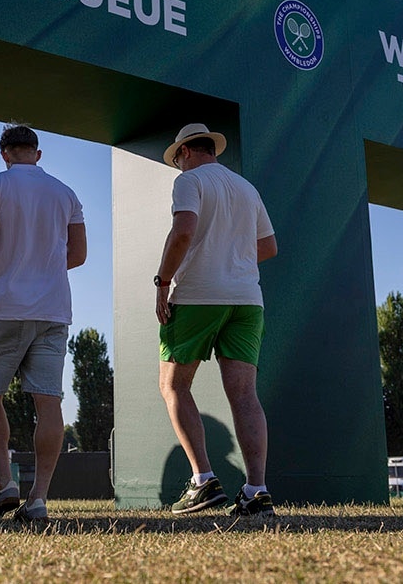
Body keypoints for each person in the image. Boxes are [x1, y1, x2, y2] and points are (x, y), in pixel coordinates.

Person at [153, 123, 279, 517]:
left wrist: (163, 281)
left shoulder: (190, 182)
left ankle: (203, 480)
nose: (178, 166)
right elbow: (268, 247)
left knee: (173, 385)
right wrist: (232, 262)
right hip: (247, 300)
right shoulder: (246, 188)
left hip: (197, 296)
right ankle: (256, 491)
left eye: (177, 160)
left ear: (187, 152)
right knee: (245, 395)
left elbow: (183, 231)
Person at [0, 124, 86, 522]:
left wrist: (0, 267)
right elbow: (80, 254)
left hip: (6, 305)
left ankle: (5, 485)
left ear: (4, 153)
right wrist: (46, 268)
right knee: (48, 401)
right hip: (54, 308)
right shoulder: (65, 192)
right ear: (38, 153)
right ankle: (38, 499)